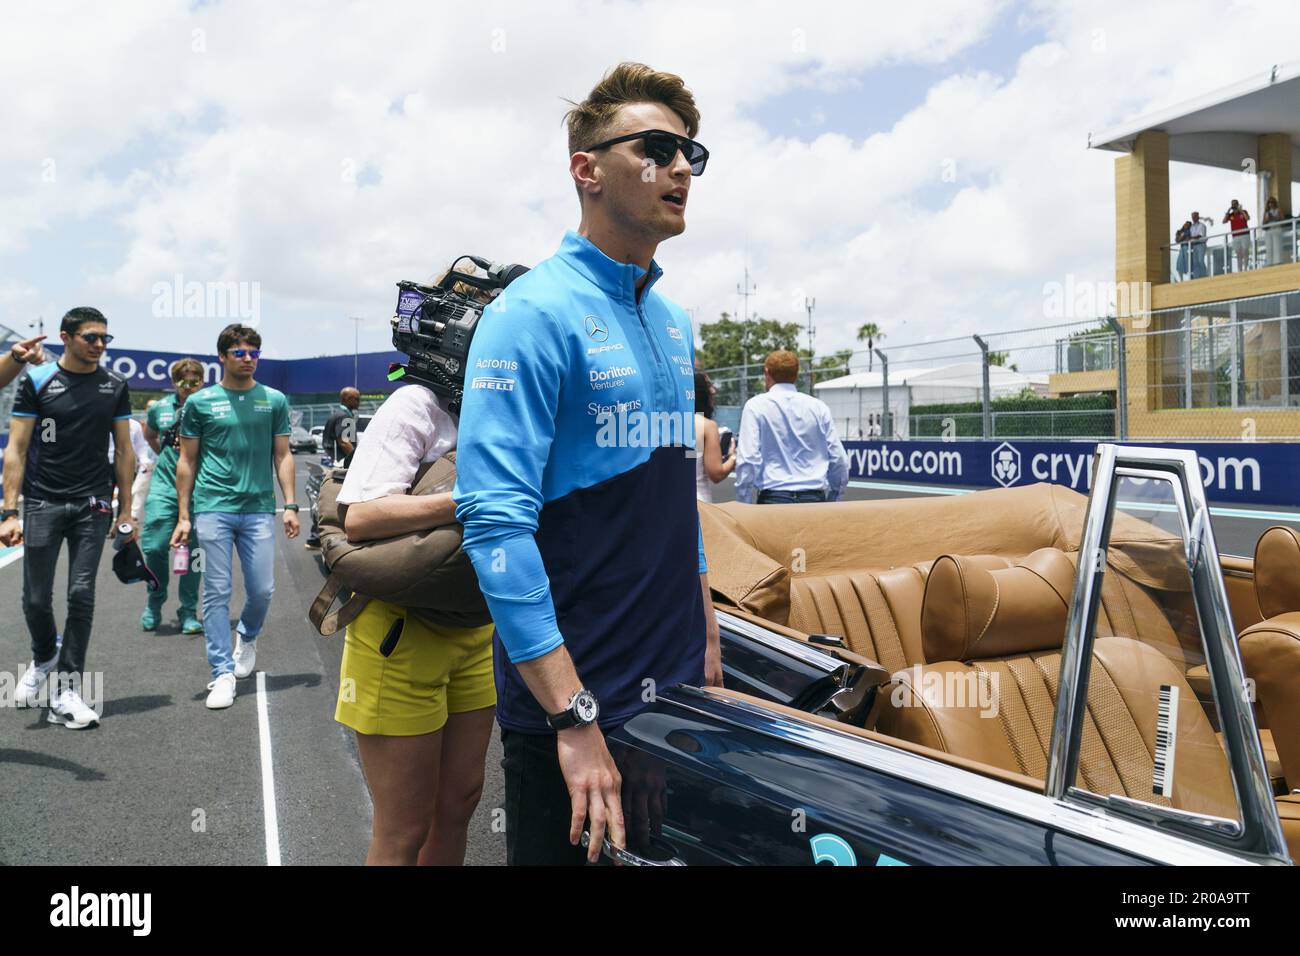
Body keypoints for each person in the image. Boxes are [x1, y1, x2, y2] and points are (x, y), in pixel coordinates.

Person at [453, 61, 722, 865]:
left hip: (674, 694)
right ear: (587, 169)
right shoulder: (528, 313)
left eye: (692, 154)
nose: (681, 167)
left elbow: (678, 496)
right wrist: (572, 720)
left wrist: (706, 638)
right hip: (575, 712)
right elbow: (495, 526)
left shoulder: (673, 319)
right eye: (658, 148)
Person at [333, 269, 496, 865]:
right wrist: (465, 499)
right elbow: (360, 518)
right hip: (400, 635)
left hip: (474, 628)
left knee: (460, 802)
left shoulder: (500, 403)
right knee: (404, 827)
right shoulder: (416, 403)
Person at [3, 308, 136, 729]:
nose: (99, 346)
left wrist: (127, 508)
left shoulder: (115, 385)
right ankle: (45, 653)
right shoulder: (36, 381)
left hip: (93, 504)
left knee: (81, 594)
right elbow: (17, 449)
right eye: (91, 338)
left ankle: (66, 688)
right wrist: (9, 510)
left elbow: (125, 450)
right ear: (66, 337)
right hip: (42, 501)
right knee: (36, 598)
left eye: (105, 339)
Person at [170, 324, 298, 710]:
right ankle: (222, 673)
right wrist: (183, 515)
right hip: (212, 509)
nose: (248, 359)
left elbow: (283, 455)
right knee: (216, 592)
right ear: (222, 357)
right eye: (240, 353)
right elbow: (187, 461)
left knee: (262, 590)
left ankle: (248, 634)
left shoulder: (274, 400)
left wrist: (290, 505)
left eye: (254, 353)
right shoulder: (200, 403)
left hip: (259, 508)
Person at [139, 359, 206, 634]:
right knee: (154, 546)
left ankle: (188, 611)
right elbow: (151, 436)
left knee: (194, 552)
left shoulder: (210, 406)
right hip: (165, 485)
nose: (189, 387)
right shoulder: (159, 409)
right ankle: (155, 600)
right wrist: (169, 456)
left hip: (202, 487)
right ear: (173, 382)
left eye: (195, 381)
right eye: (183, 382)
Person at [734, 349, 849, 505]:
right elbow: (839, 459)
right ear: (796, 375)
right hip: (814, 498)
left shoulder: (755, 406)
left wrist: (744, 501)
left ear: (766, 372)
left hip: (773, 498)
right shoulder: (818, 407)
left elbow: (748, 459)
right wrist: (834, 497)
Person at [693, 370, 734, 501]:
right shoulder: (706, 426)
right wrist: (734, 457)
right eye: (708, 385)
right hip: (699, 504)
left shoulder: (666, 421)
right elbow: (716, 473)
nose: (713, 390)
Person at [1224, 199, 1251, 272]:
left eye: (1235, 204)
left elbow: (1247, 218)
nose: (1234, 205)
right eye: (1232, 204)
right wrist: (1228, 211)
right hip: (1235, 236)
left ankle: (1245, 268)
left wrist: (1241, 210)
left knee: (1245, 251)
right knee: (1238, 253)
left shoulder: (1243, 212)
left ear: (1238, 204)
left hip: (1245, 234)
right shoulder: (1231, 215)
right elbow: (1224, 221)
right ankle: (1240, 269)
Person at [1262, 196, 1287, 266]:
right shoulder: (1266, 212)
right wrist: (1267, 220)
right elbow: (1263, 223)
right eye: (1269, 202)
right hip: (1269, 230)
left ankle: (1278, 261)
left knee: (1277, 245)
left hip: (1277, 228)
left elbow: (1282, 219)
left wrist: (1273, 217)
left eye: (1272, 202)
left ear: (1274, 203)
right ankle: (1269, 262)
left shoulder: (1278, 210)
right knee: (1269, 247)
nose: (1271, 204)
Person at [1189, 211, 1208, 278]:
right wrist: (1193, 237)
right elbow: (1190, 237)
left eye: (1195, 216)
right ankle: (1197, 277)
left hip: (1201, 244)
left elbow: (1200, 236)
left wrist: (1193, 237)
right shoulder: (1191, 227)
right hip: (1193, 246)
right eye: (1192, 216)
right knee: (1195, 262)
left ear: (1198, 217)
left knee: (1200, 260)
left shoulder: (1202, 225)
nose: (1193, 218)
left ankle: (1204, 276)